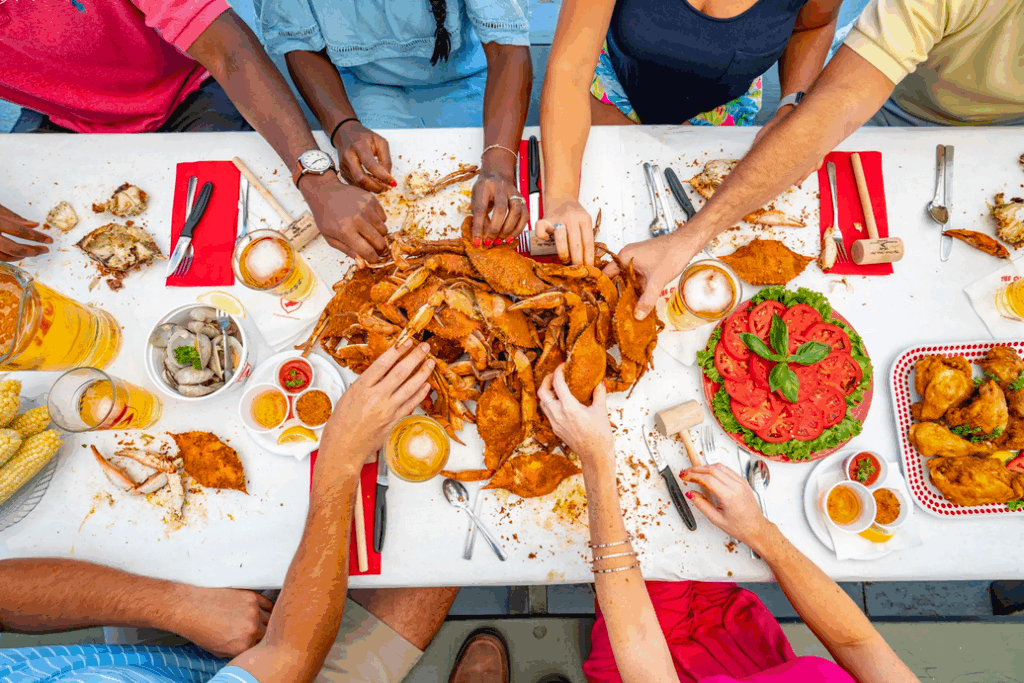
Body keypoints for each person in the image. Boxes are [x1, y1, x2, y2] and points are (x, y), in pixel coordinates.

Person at [0, 340, 460, 683]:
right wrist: (339, 459)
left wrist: (177, 607)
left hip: (138, 664)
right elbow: (286, 659)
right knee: (446, 541)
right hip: (290, 669)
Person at [609, 0, 1024, 317]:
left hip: (1006, 136)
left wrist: (790, 104)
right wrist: (687, 238)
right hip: (888, 101)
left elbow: (815, 23)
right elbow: (833, 108)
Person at [535, 366, 916, 683]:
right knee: (688, 539)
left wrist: (597, 460)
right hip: (737, 633)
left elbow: (640, 647)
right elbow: (857, 643)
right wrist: (759, 531)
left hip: (638, 659)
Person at [0, 1, 389, 263]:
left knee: (229, 249)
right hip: (66, 120)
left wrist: (316, 178)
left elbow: (228, 51)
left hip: (186, 91)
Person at [536, 0, 844, 265]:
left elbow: (813, 25)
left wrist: (793, 105)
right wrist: (562, 196)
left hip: (718, 115)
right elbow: (571, 68)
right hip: (613, 93)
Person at [254, 0, 533, 248]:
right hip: (364, 82)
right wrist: (342, 126)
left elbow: (506, 45)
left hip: (469, 76)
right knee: (376, 217)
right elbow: (301, 45)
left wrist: (499, 167)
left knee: (490, 208)